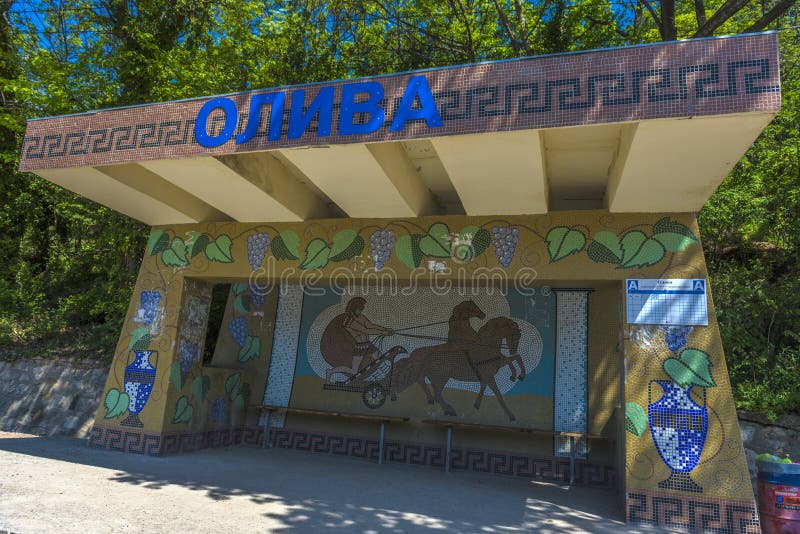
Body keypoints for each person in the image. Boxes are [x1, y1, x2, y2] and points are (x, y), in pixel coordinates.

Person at [320, 297, 393, 383]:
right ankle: (330, 372)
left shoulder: (361, 316)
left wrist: (386, 329)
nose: (360, 311)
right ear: (353, 308)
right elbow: (365, 330)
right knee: (354, 371)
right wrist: (383, 332)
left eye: (361, 309)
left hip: (368, 345)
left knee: (381, 358)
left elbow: (370, 325)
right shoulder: (347, 319)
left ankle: (385, 378)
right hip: (360, 347)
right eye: (359, 309)